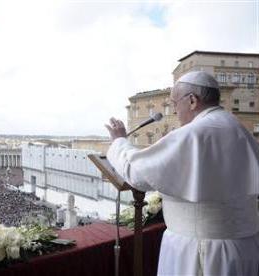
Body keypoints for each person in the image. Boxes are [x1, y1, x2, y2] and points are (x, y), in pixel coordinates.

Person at [105, 71, 259, 275]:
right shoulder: (240, 129)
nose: (175, 111)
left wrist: (118, 142)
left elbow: (137, 173)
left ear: (192, 100)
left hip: (200, 251)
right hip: (243, 247)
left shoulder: (194, 133)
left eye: (175, 103)